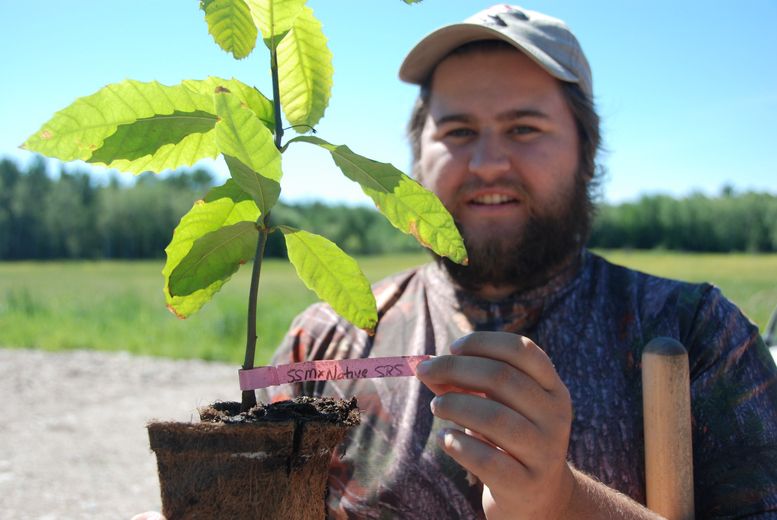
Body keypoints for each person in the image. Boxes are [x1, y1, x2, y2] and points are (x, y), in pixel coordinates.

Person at [136, 4, 777, 519]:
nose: (489, 162)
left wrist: (566, 503)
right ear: (416, 157)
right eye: (458, 131)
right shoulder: (326, 340)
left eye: (525, 128)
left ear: (587, 149)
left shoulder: (695, 335)